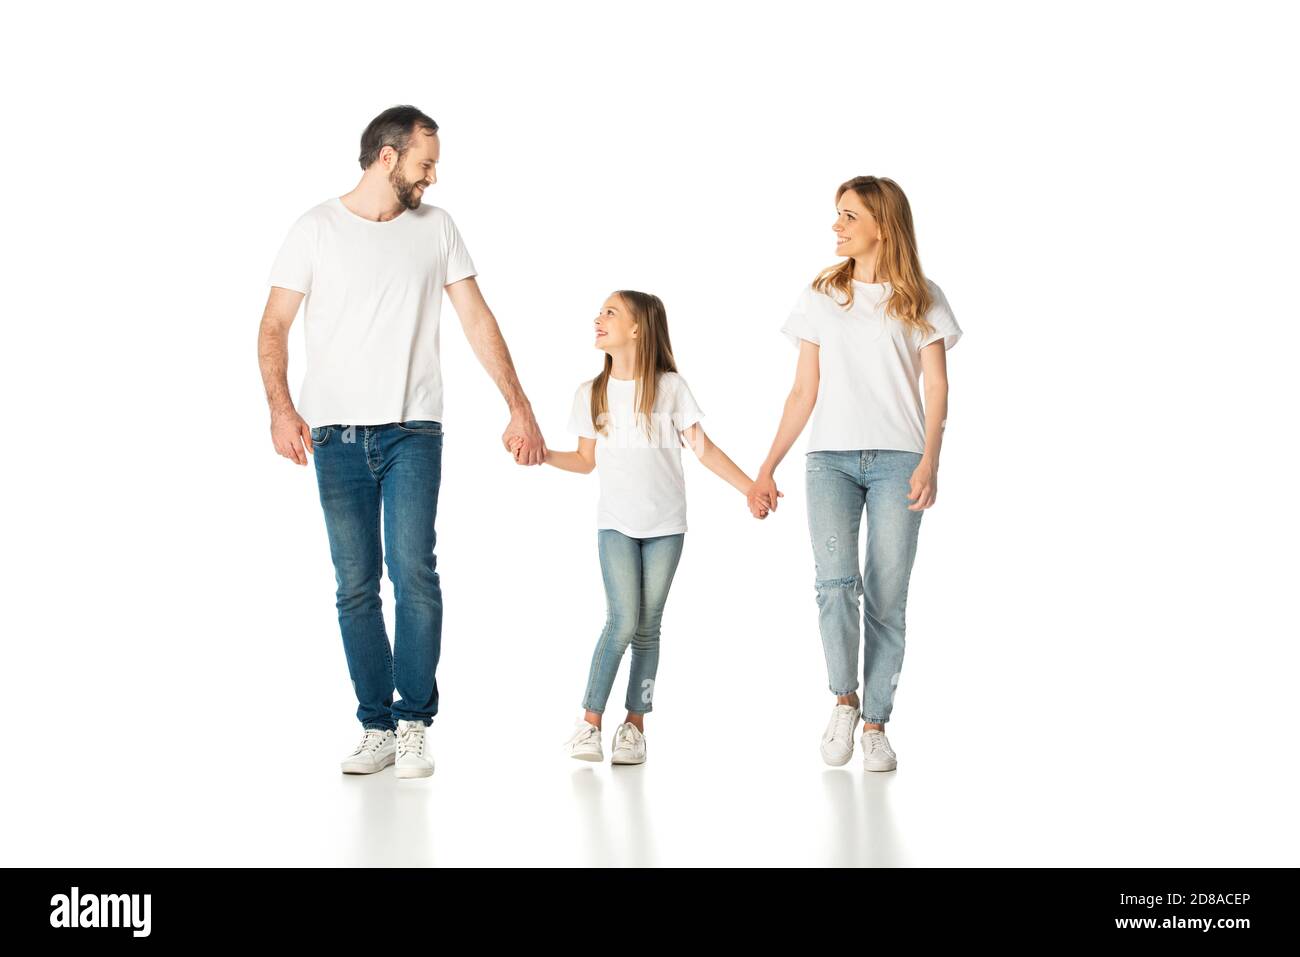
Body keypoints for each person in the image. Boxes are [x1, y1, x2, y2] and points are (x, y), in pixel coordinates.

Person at [257, 105, 545, 779]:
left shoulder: (436, 229)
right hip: (333, 437)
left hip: (414, 430)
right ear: (387, 158)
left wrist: (519, 403)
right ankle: (376, 725)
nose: (433, 177)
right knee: (355, 585)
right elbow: (273, 324)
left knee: (413, 571)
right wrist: (281, 408)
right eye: (425, 163)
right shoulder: (315, 229)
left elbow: (476, 317)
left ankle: (415, 722)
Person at [748, 175, 962, 771]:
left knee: (888, 596)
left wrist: (931, 460)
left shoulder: (922, 295)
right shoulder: (822, 294)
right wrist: (766, 467)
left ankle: (876, 723)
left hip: (900, 461)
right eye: (836, 215)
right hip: (830, 462)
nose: (837, 226)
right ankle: (844, 701)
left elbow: (938, 386)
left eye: (848, 216)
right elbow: (802, 391)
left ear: (882, 225)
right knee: (835, 586)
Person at [524, 290, 755, 765]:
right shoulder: (591, 393)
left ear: (637, 329)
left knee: (648, 628)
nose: (598, 318)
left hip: (666, 527)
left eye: (610, 312)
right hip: (616, 526)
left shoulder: (670, 388)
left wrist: (750, 487)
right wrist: (544, 454)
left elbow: (704, 450)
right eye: (599, 311)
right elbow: (586, 460)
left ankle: (634, 726)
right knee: (622, 620)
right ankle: (589, 725)